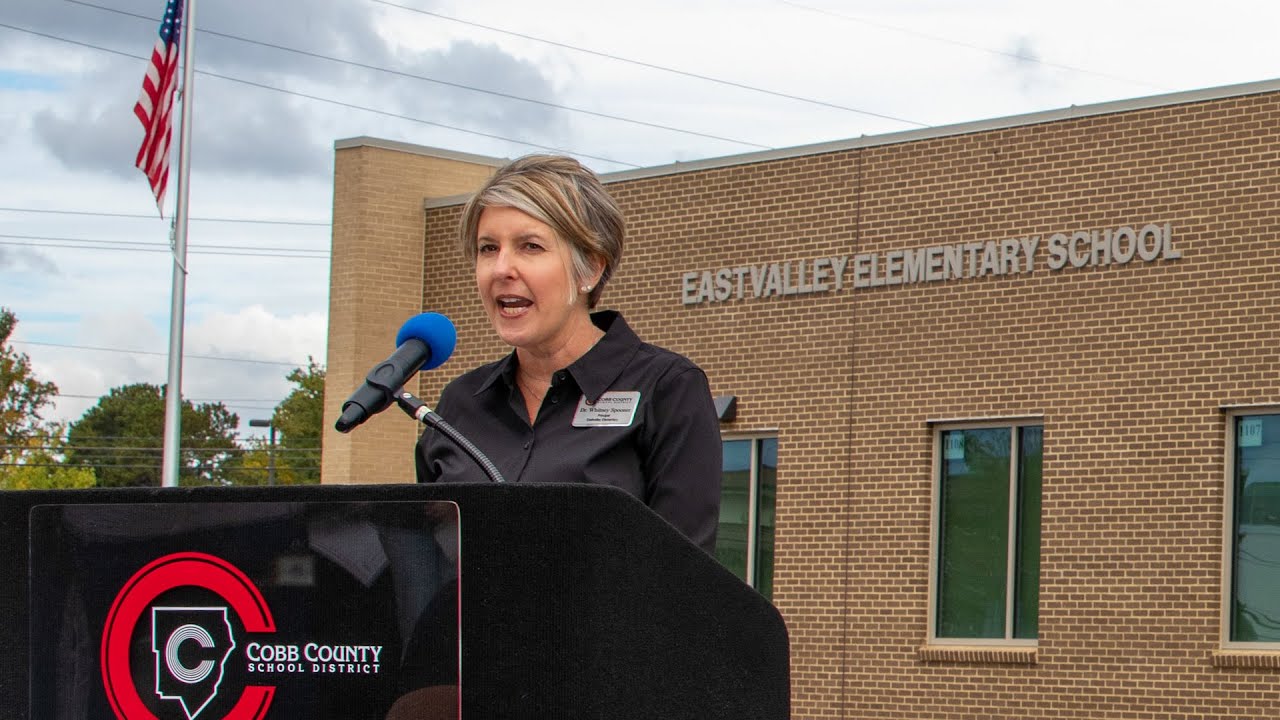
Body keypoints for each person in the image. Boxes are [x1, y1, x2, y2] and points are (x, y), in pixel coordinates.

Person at [415, 154, 722, 554]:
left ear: (590, 269)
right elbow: (429, 563)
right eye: (488, 248)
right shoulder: (459, 404)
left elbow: (682, 571)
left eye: (530, 246)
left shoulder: (667, 389)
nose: (501, 268)